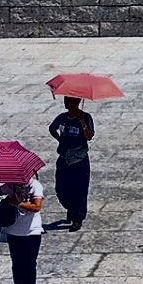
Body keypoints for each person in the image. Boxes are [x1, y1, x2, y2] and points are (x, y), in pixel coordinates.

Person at [0, 176, 44, 284]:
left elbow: (37, 207)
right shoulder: (10, 185)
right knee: (17, 262)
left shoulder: (35, 186)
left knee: (30, 264)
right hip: (13, 231)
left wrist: (17, 203)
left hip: (32, 231)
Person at [48, 96, 95, 230]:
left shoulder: (85, 117)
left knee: (80, 189)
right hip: (64, 157)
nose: (66, 104)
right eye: (65, 101)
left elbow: (89, 136)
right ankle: (71, 208)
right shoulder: (62, 117)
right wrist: (60, 140)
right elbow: (52, 128)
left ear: (77, 103)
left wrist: (82, 123)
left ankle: (77, 218)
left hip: (79, 159)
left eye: (69, 102)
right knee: (61, 188)